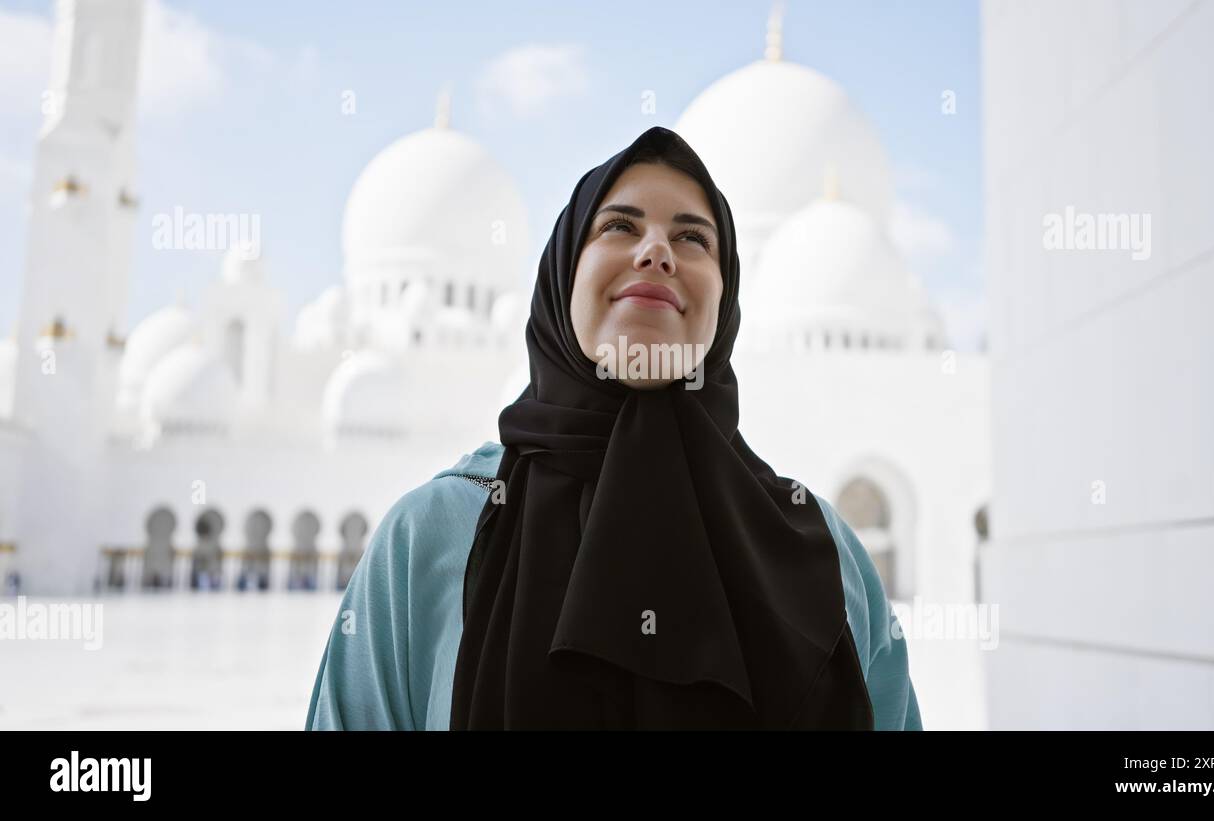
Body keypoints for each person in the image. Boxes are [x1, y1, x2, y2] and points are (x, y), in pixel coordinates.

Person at [305, 126, 923, 730]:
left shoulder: (823, 553)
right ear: (562, 276)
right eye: (619, 226)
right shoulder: (435, 536)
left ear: (727, 296)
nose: (655, 251)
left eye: (693, 239)